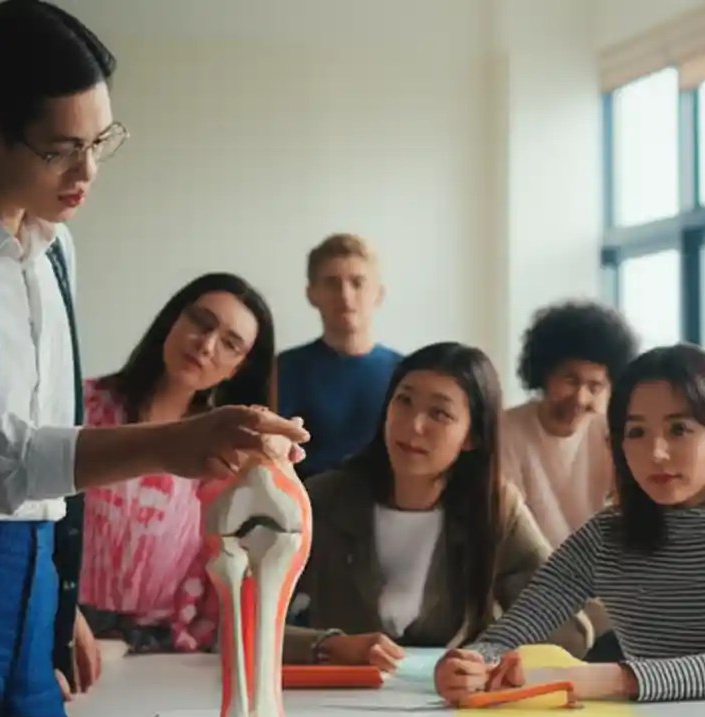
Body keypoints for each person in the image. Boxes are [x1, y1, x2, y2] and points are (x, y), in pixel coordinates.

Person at [0, 3, 307, 717]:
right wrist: (164, 446)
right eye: (62, 149)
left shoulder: (55, 245)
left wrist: (62, 602)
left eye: (102, 141)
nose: (88, 172)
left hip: (38, 581)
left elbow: (49, 430)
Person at [434, 344, 705, 704]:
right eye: (637, 432)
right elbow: (506, 636)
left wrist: (601, 678)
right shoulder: (607, 534)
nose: (656, 453)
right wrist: (466, 666)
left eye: (679, 430)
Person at [284, 342, 592, 668]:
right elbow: (246, 622)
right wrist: (327, 645)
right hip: (333, 700)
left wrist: (484, 653)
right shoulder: (324, 498)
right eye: (403, 401)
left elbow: (570, 633)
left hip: (445, 702)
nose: (414, 425)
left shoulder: (492, 508)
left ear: (471, 436)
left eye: (439, 414)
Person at [80, 273, 279, 653]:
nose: (206, 345)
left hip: (159, 651)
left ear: (237, 368)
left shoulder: (228, 451)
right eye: (201, 323)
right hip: (57, 628)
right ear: (173, 320)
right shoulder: (81, 404)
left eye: (230, 344)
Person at [502, 299, 638, 548]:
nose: (580, 398)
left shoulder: (615, 433)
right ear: (543, 374)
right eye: (570, 380)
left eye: (595, 386)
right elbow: (508, 531)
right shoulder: (504, 431)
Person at [277, 233, 401, 479]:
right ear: (311, 294)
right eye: (332, 283)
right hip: (308, 506)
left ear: (379, 294)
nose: (345, 295)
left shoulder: (406, 372)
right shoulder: (285, 368)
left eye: (357, 283)